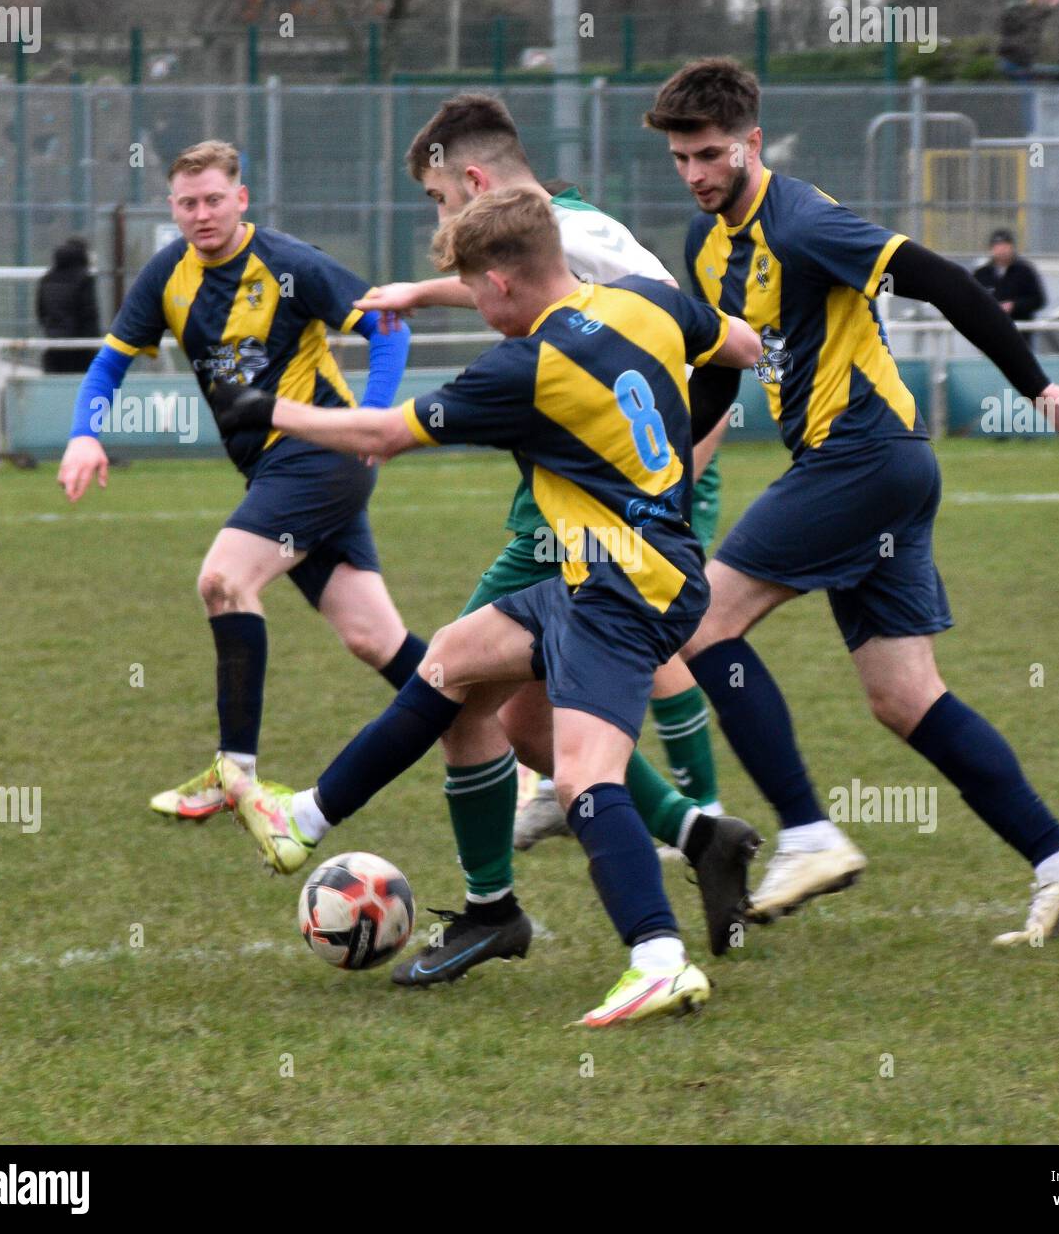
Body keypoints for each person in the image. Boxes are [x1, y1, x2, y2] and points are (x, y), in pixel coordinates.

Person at [210, 187, 764, 1026]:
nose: (476, 306)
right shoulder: (641, 299)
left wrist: (267, 410)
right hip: (604, 570)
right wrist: (681, 451)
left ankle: (658, 958)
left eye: (474, 290)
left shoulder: (526, 366)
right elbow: (744, 346)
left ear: (502, 283)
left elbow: (385, 436)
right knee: (451, 661)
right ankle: (304, 820)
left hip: (623, 590)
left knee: (581, 775)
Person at [643, 58, 1059, 947]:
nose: (696, 173)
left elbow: (945, 279)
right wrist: (661, 475)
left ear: (751, 142)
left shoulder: (802, 220)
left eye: (709, 154)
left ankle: (809, 831)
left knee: (699, 622)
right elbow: (715, 380)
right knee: (905, 697)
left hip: (861, 458)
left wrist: (1040, 388)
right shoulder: (706, 247)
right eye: (679, 158)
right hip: (877, 474)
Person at [351, 95, 754, 986]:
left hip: (607, 507)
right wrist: (420, 290)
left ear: (475, 180)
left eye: (437, 198)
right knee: (522, 712)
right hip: (596, 494)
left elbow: (690, 346)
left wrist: (681, 463)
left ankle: (510, 911)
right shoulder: (546, 237)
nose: (441, 219)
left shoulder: (585, 249)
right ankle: (701, 833)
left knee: (474, 691)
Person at [56, 140, 422, 819]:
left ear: (241, 198)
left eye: (214, 199)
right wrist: (85, 432)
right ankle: (496, 740)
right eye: (188, 203)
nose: (202, 214)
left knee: (224, 579)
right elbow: (109, 366)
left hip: (320, 454)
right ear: (172, 207)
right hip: (274, 469)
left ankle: (236, 773)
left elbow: (387, 326)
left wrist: (374, 419)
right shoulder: (167, 276)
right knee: (374, 638)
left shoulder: (289, 264)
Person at [37, 238, 101, 374]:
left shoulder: (46, 280)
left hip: (53, 347)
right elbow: (89, 315)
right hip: (81, 350)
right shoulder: (85, 280)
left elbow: (41, 313)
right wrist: (94, 347)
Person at [973, 228, 1047, 326]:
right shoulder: (981, 274)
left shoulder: (1024, 271)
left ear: (1012, 247)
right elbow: (972, 301)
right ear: (991, 249)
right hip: (990, 329)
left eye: (1005, 245)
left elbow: (1038, 300)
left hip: (1018, 329)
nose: (1002, 250)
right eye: (998, 246)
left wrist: (1014, 305)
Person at [998, 0, 1059, 80]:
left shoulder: (1025, 17)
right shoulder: (1018, 18)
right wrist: (1046, 1)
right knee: (1025, 90)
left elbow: (1040, 13)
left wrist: (1051, 4)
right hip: (1015, 60)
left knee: (1027, 87)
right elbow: (1033, 11)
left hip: (1021, 60)